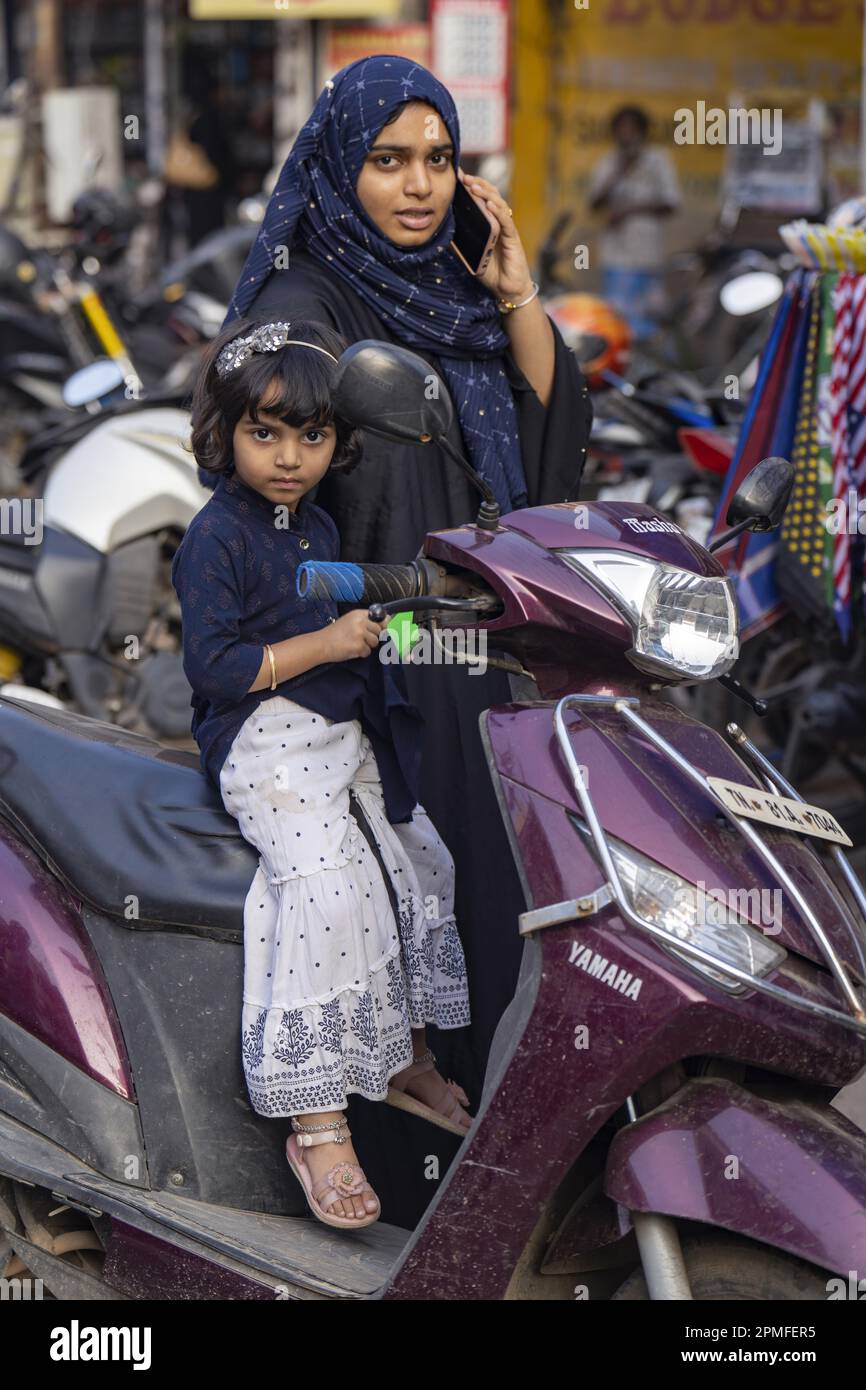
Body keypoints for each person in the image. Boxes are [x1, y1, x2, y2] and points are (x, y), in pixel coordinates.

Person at [198, 54, 593, 1228]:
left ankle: (532, 1133)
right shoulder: (305, 304)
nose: (418, 187)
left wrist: (518, 289)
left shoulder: (454, 287)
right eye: (388, 160)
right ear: (340, 164)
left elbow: (546, 432)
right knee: (452, 866)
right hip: (385, 650)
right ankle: (434, 1162)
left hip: (487, 624)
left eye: (437, 159)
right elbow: (279, 471)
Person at [171, 314, 472, 1230]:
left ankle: (401, 1051)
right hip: (260, 740)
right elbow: (216, 670)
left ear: (337, 442)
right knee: (326, 889)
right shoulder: (213, 539)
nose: (290, 456)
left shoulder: (321, 523)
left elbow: (363, 631)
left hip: (338, 729)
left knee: (421, 857)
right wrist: (325, 643)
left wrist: (422, 623)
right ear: (226, 434)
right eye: (266, 434)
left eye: (313, 434)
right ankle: (317, 1117)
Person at [587, 105, 681, 340]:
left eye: (632, 129)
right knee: (616, 320)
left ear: (642, 131)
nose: (626, 134)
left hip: (648, 254)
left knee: (649, 320)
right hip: (617, 256)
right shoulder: (609, 162)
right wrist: (619, 172)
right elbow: (595, 203)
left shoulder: (658, 160)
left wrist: (630, 210)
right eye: (621, 129)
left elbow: (671, 202)